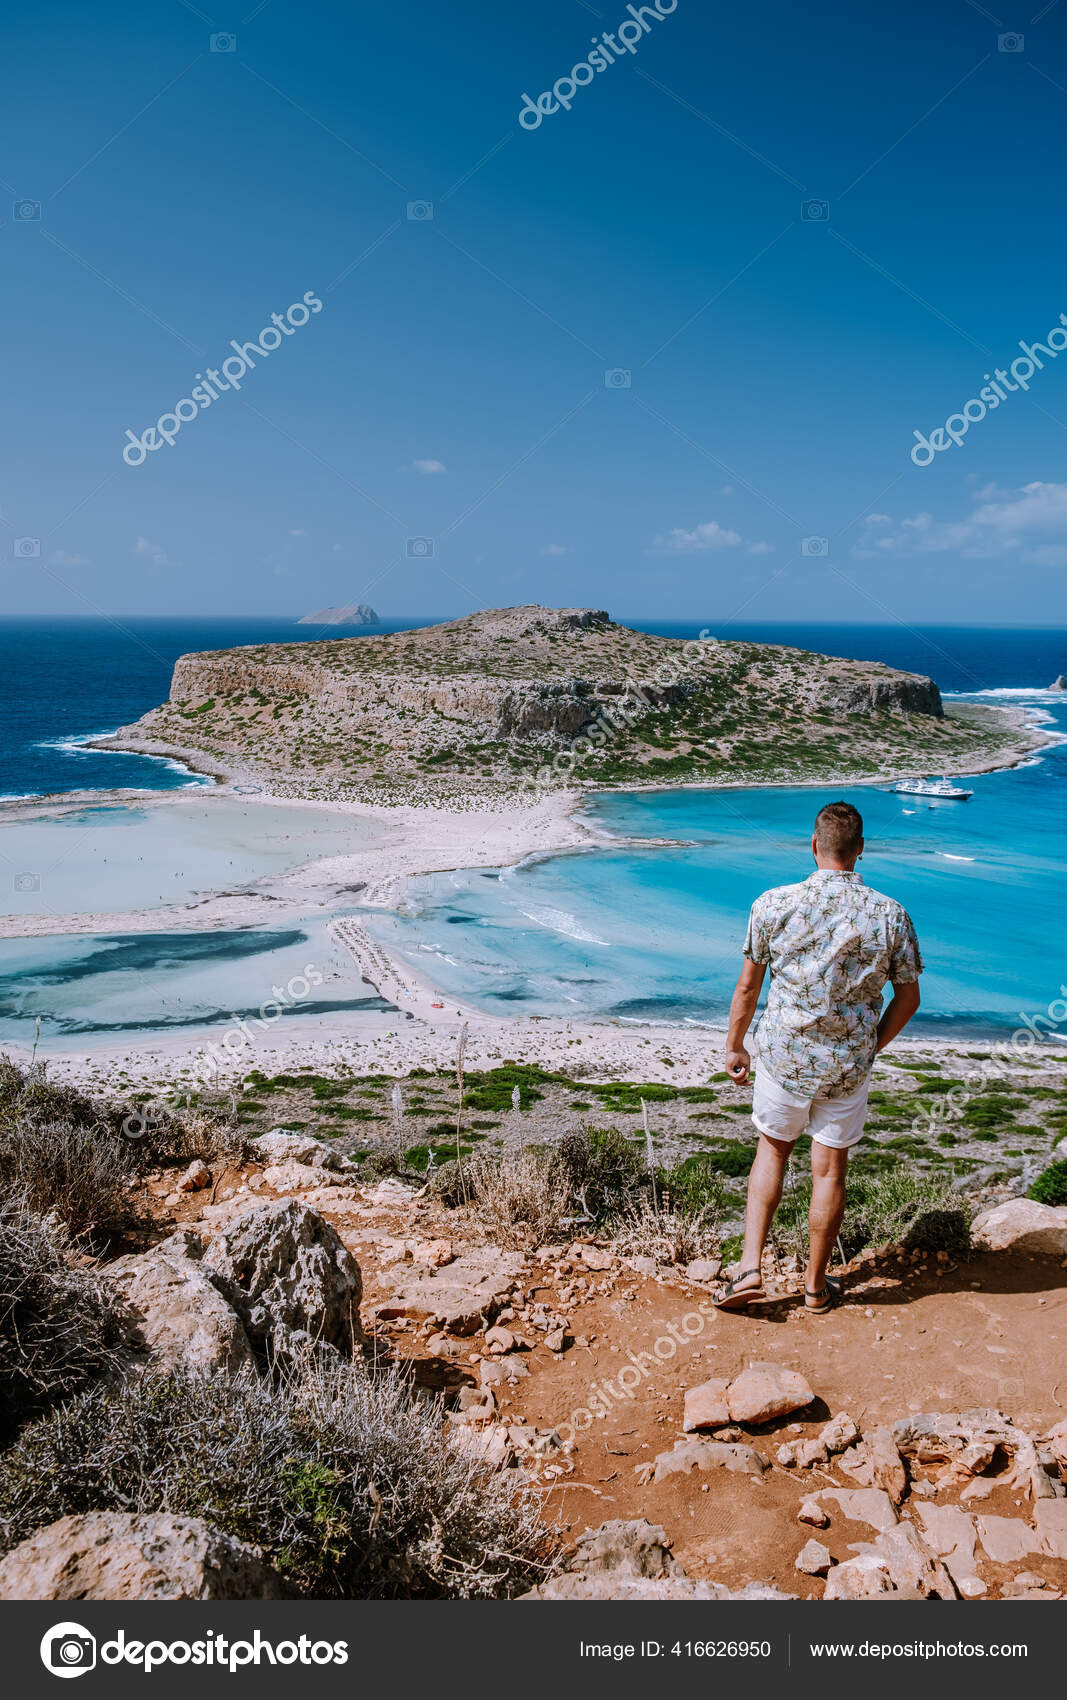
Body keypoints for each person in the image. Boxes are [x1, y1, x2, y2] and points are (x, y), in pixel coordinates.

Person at [716, 801, 922, 1316]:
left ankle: (749, 1269)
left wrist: (736, 1045)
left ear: (813, 844)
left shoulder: (773, 904)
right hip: (847, 1066)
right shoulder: (891, 915)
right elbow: (908, 998)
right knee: (829, 1172)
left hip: (784, 1057)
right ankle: (814, 1287)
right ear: (860, 850)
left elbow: (748, 989)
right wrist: (871, 1045)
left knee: (772, 1152)